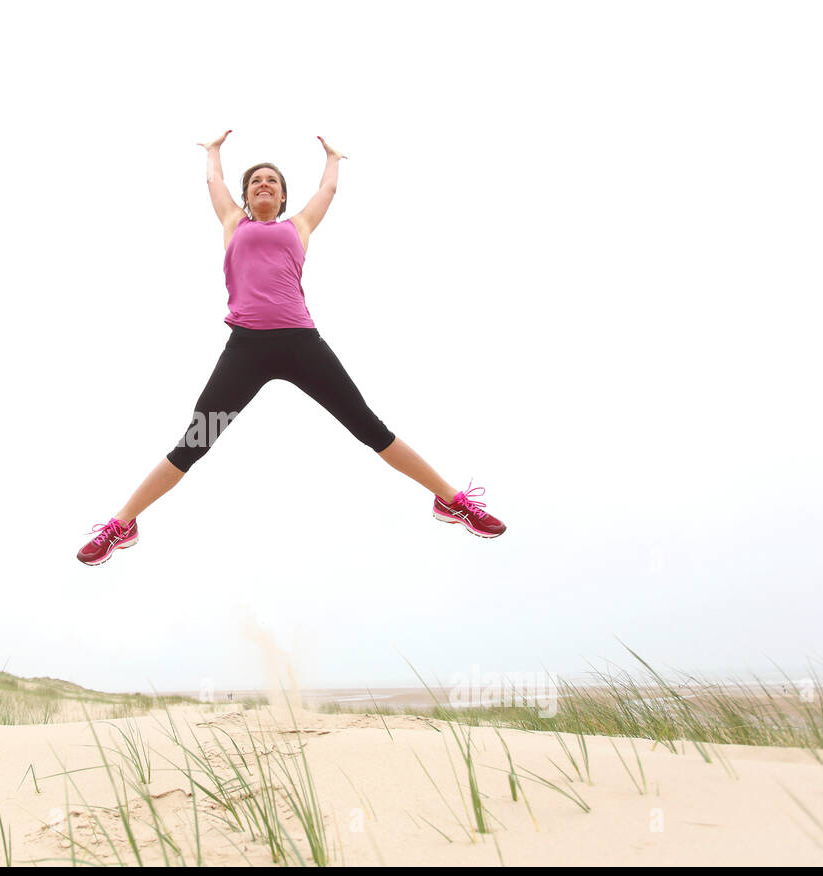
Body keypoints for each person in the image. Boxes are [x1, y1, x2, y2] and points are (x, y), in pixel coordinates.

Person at [78, 131, 506, 566]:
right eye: (255, 181)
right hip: (247, 349)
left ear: (283, 198)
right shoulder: (233, 223)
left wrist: (334, 158)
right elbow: (214, 184)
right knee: (197, 440)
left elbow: (328, 190)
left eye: (273, 182)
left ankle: (451, 501)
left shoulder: (298, 227)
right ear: (245, 195)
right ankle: (122, 523)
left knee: (369, 427)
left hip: (302, 344)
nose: (263, 184)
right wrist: (212, 153)